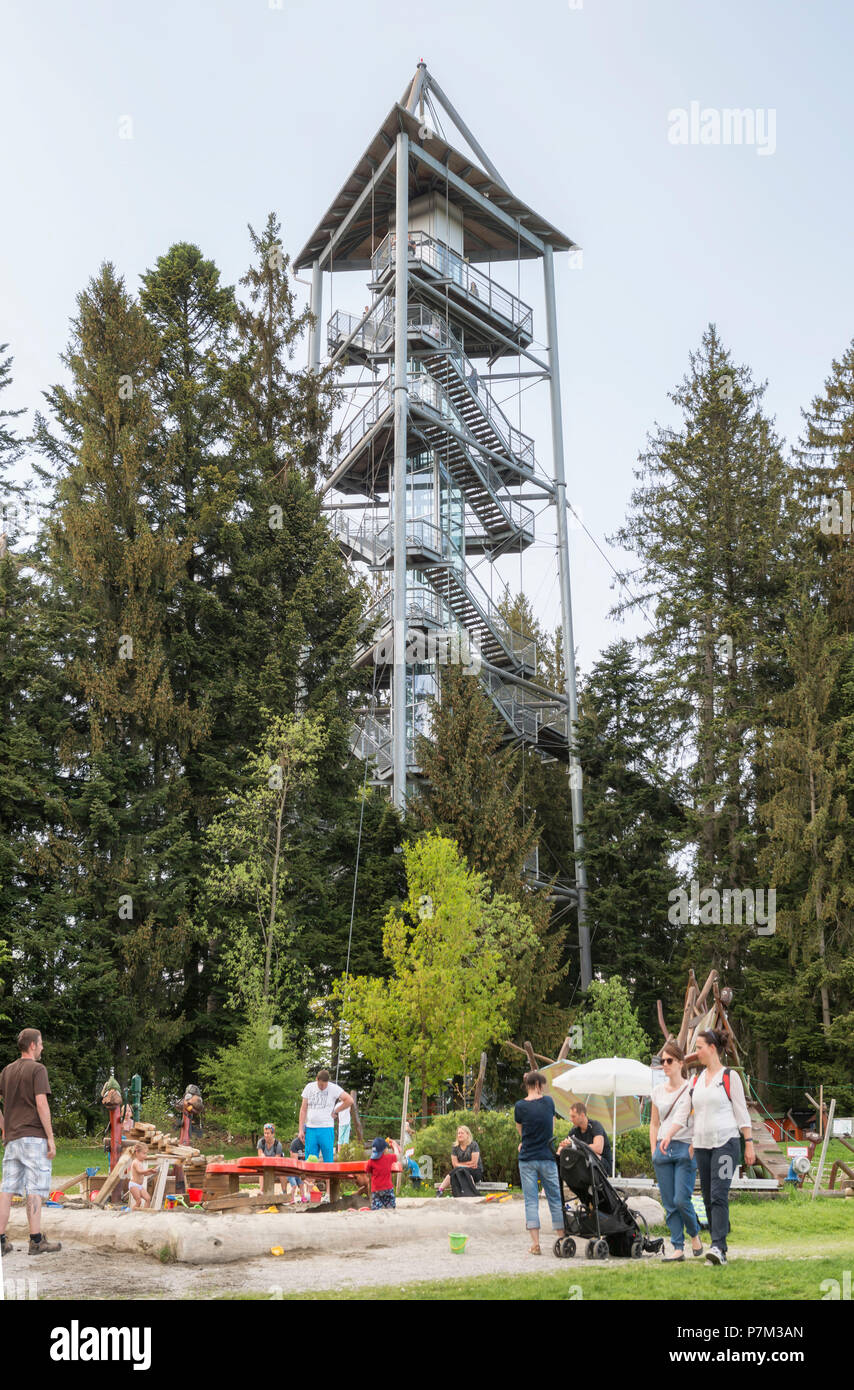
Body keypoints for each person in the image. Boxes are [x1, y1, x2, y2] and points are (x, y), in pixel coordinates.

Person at [690, 1029, 756, 1266]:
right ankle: (719, 1240)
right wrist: (691, 1141)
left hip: (727, 1144)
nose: (696, 1052)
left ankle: (718, 1247)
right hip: (702, 1146)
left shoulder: (730, 1077)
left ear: (712, 1048)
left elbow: (741, 1111)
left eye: (699, 1047)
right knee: (708, 1197)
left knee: (719, 1194)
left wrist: (748, 1144)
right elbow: (694, 1114)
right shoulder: (696, 1080)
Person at [0, 1028, 61, 1255]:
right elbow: (42, 1104)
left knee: (6, 1189)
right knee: (34, 1188)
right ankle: (36, 1241)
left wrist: (5, 1127)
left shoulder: (6, 1071)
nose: (43, 1047)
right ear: (32, 1045)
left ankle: (1, 1240)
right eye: (41, 1043)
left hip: (12, 1140)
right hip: (34, 1138)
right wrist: (51, 1138)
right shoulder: (38, 1069)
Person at [650, 1041, 703, 1262]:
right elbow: (654, 1123)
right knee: (669, 1203)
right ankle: (678, 1247)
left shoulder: (690, 1088)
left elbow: (697, 1118)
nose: (665, 1064)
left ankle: (694, 1234)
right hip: (662, 1147)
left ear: (680, 1063)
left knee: (682, 1199)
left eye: (669, 1060)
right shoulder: (657, 1091)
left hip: (684, 1147)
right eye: (662, 1060)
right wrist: (653, 1149)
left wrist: (694, 1143)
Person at [514, 1071, 565, 1255]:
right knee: (555, 1198)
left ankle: (535, 1244)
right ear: (538, 1085)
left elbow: (521, 1131)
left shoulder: (519, 1106)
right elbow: (550, 1128)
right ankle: (561, 1238)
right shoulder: (549, 1102)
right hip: (546, 1157)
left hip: (527, 1158)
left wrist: (526, 1142)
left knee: (531, 1201)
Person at [298, 1069, 356, 1166]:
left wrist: (336, 1110)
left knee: (328, 1161)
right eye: (321, 1085)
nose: (322, 1087)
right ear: (317, 1079)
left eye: (325, 1085)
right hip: (311, 1128)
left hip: (326, 1128)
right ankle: (310, 1181)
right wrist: (300, 1129)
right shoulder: (309, 1087)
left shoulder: (333, 1088)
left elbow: (349, 1100)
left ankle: (328, 1181)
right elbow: (303, 1109)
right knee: (310, 1161)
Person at [562, 1102, 613, 1176]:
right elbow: (564, 1147)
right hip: (586, 1166)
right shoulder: (574, 1130)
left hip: (604, 1166)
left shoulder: (595, 1125)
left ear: (582, 1115)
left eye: (573, 1116)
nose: (571, 1119)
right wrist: (564, 1146)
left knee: (589, 1154)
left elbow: (598, 1148)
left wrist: (576, 1146)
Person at [435, 1125, 483, 1197]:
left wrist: (459, 1164)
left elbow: (474, 1164)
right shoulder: (455, 1147)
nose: (459, 1135)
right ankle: (440, 1191)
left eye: (462, 1133)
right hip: (460, 1172)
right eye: (458, 1133)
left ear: (467, 1134)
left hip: (476, 1171)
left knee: (459, 1170)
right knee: (458, 1170)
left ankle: (440, 1189)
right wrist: (466, 1165)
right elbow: (454, 1164)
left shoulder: (473, 1145)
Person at [366, 1136, 396, 1210]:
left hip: (376, 1190)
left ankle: (377, 1207)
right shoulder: (389, 1158)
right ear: (385, 1149)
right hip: (388, 1189)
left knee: (376, 1207)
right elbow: (398, 1156)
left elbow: (368, 1174)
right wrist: (394, 1146)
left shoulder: (371, 1161)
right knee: (390, 1207)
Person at [256, 1122, 286, 1197]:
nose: (266, 1135)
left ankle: (284, 1192)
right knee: (261, 1173)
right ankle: (261, 1191)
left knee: (282, 1174)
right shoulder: (261, 1142)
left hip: (276, 1166)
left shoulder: (278, 1145)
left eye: (268, 1133)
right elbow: (260, 1155)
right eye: (265, 1133)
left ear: (272, 1134)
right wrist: (262, 1155)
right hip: (265, 1165)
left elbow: (277, 1160)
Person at [127, 1143, 152, 1211]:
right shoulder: (135, 1162)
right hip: (134, 1185)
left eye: (146, 1154)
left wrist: (151, 1172)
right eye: (144, 1153)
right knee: (139, 1201)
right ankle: (131, 1213)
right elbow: (139, 1171)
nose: (145, 1156)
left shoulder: (140, 1162)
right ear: (137, 1153)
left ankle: (144, 1213)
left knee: (148, 1198)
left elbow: (142, 1174)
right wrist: (148, 1169)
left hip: (139, 1186)